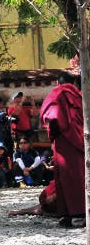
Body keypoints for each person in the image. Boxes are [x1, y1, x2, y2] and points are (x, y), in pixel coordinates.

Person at [40, 71, 86, 227]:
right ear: (73, 82)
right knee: (79, 177)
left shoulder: (55, 94)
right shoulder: (78, 94)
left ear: (57, 82)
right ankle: (79, 213)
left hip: (62, 142)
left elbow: (51, 118)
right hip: (79, 139)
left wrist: (53, 136)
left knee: (64, 178)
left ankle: (65, 215)